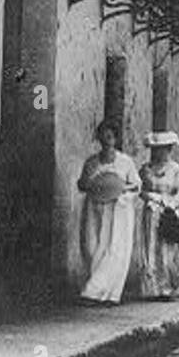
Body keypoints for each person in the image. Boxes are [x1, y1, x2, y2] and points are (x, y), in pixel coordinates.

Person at [77, 119, 141, 304]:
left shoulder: (125, 162)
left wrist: (121, 191)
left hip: (118, 210)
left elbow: (136, 185)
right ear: (98, 139)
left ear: (115, 138)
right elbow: (82, 184)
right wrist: (93, 185)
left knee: (114, 248)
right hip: (95, 208)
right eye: (103, 136)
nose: (107, 140)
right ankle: (97, 290)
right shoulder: (91, 163)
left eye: (110, 136)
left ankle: (101, 293)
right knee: (93, 246)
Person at [139, 131, 179, 300]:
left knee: (167, 251)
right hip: (151, 211)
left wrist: (172, 204)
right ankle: (152, 289)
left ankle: (167, 287)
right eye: (156, 149)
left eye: (163, 149)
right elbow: (141, 190)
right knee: (150, 249)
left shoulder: (176, 170)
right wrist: (151, 197)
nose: (159, 152)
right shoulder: (146, 169)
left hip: (168, 213)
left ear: (169, 150)